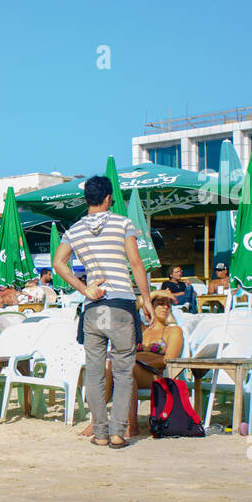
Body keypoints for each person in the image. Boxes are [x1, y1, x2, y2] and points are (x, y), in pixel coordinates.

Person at [52, 174, 154, 448]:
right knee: (122, 372)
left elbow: (58, 263)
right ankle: (118, 433)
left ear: (86, 199)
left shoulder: (74, 230)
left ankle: (99, 433)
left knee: (95, 373)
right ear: (109, 198)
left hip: (94, 308)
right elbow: (135, 263)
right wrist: (146, 299)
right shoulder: (123, 223)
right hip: (120, 304)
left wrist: (84, 289)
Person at [80, 291, 183, 438]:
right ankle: (99, 422)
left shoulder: (173, 331)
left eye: (168, 305)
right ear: (150, 307)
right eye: (160, 303)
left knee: (125, 366)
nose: (165, 307)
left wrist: (138, 362)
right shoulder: (141, 329)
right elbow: (129, 308)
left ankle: (129, 425)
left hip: (156, 374)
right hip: (132, 371)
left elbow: (170, 359)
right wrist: (153, 294)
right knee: (115, 366)